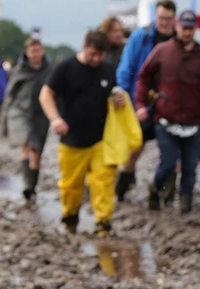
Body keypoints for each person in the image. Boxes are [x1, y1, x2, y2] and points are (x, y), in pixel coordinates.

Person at [39, 30, 127, 235]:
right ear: (84, 47)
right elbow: (45, 95)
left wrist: (118, 98)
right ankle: (70, 219)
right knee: (71, 186)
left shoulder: (107, 69)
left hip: (101, 139)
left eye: (100, 55)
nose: (96, 59)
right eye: (92, 54)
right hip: (71, 139)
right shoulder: (66, 68)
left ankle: (103, 224)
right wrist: (55, 118)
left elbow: (113, 92)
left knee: (103, 182)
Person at [135, 10, 200, 214]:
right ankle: (155, 188)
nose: (187, 32)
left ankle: (185, 206)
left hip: (193, 121)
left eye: (191, 28)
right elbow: (143, 77)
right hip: (166, 119)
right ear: (177, 26)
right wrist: (139, 105)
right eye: (184, 28)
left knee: (190, 167)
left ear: (195, 29)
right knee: (168, 163)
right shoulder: (162, 51)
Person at [115, 0, 177, 202]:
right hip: (140, 101)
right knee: (135, 149)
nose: (164, 22)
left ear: (173, 19)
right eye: (161, 18)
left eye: (168, 19)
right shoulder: (141, 37)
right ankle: (120, 190)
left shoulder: (179, 39)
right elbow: (126, 67)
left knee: (170, 152)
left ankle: (166, 194)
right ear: (155, 16)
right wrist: (125, 97)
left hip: (169, 104)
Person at [5, 38, 52, 200]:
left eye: (38, 50)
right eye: (33, 51)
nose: (36, 54)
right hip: (22, 112)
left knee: (37, 150)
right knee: (25, 145)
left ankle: (33, 184)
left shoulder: (50, 70)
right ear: (27, 53)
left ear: (42, 51)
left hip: (42, 114)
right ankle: (27, 183)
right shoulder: (19, 70)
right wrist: (4, 117)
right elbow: (10, 94)